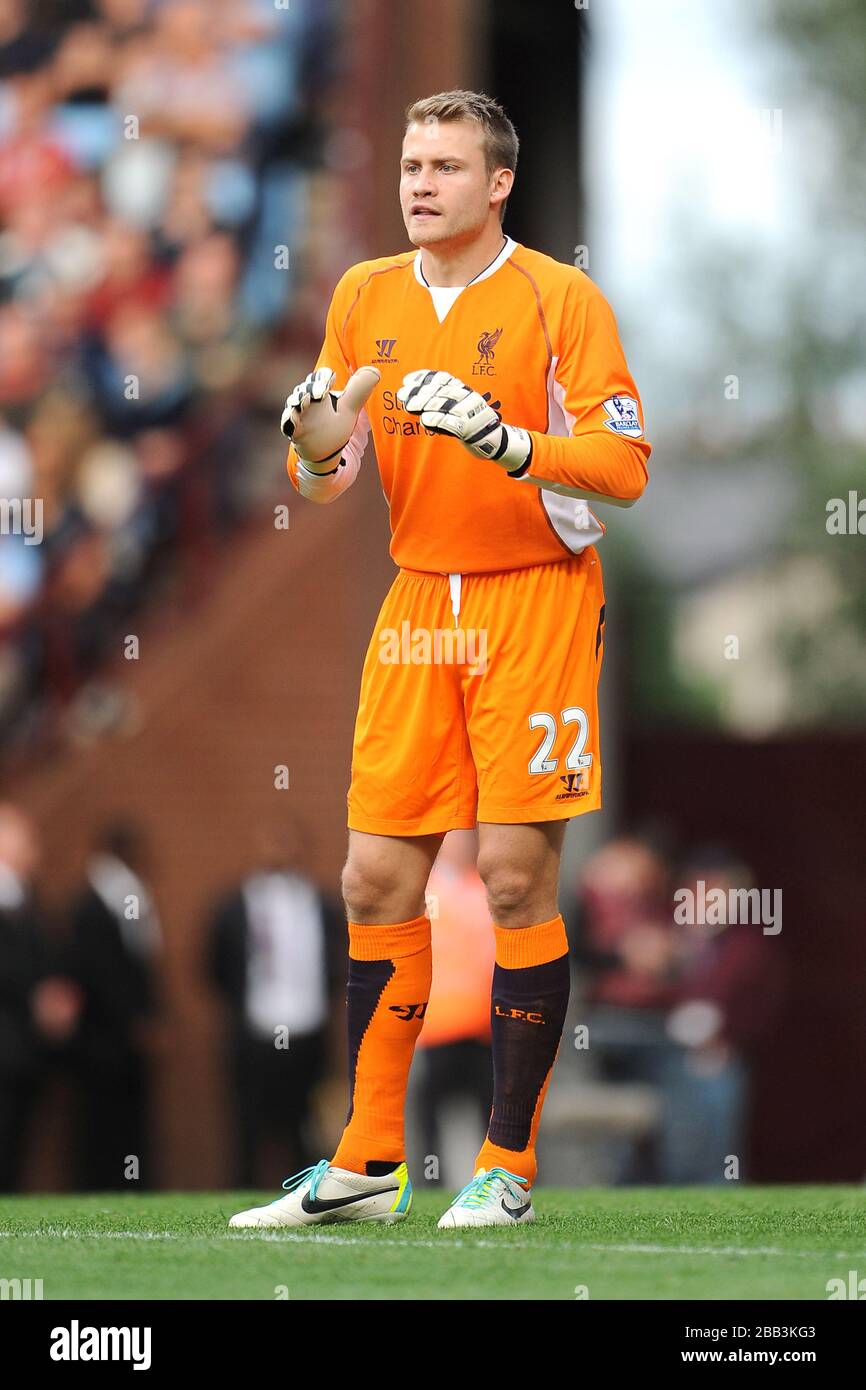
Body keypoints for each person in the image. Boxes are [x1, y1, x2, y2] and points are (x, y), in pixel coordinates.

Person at [230, 88, 650, 1231]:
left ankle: (504, 1165)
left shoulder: (559, 297)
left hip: (534, 595)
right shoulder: (363, 294)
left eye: (446, 166)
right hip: (419, 595)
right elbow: (327, 471)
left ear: (497, 183)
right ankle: (369, 1160)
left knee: (511, 876)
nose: (420, 182)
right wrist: (315, 451)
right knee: (372, 878)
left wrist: (504, 440)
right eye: (412, 163)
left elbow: (623, 465)